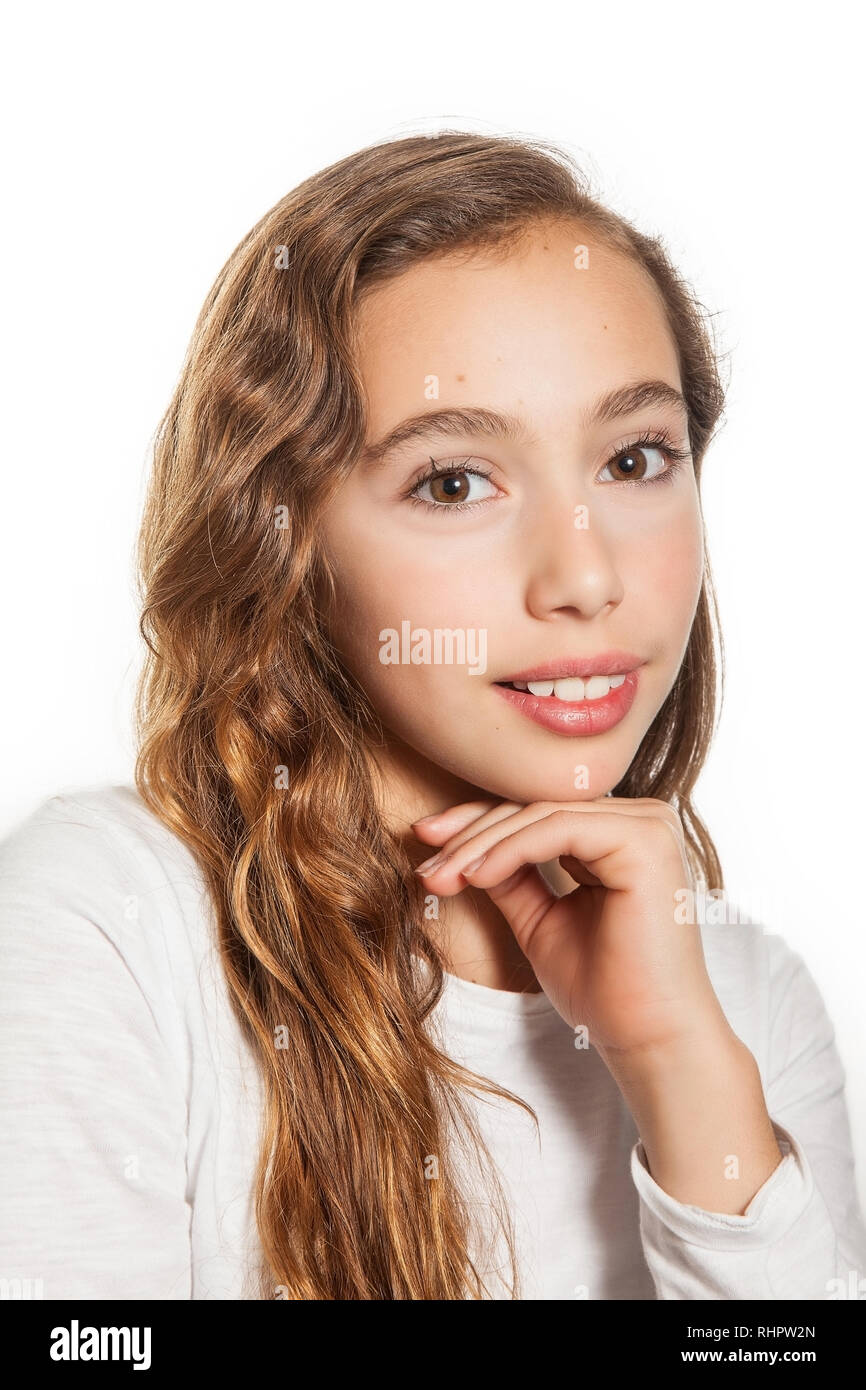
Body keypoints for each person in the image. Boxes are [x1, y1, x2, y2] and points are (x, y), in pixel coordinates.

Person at [2, 131, 865, 1301]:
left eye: (633, 457)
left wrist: (674, 1063)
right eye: (453, 482)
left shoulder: (746, 1003)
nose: (584, 578)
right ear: (287, 544)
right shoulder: (112, 925)